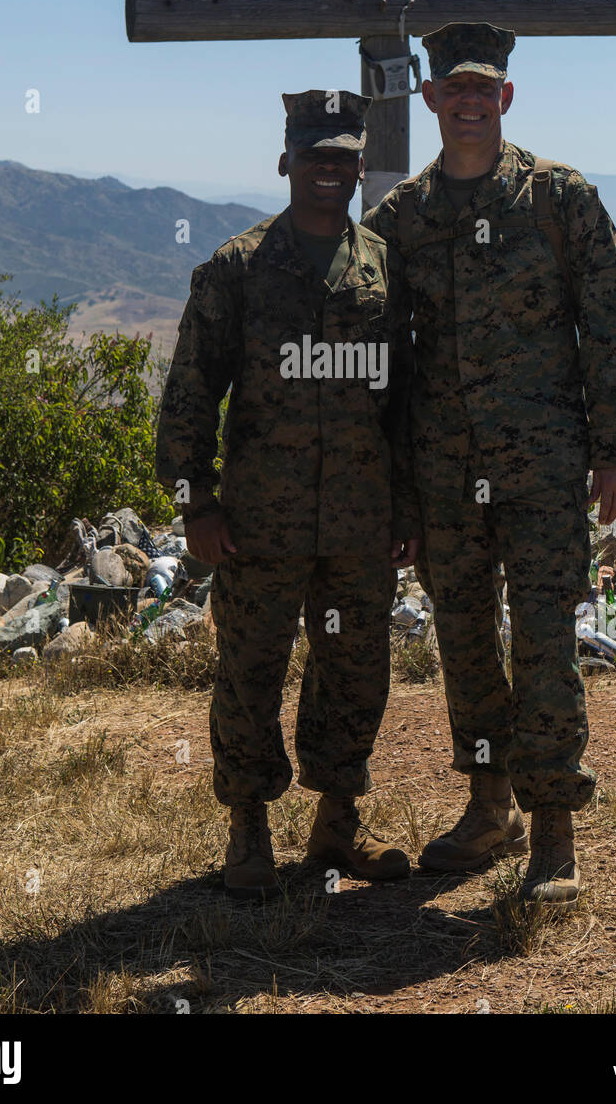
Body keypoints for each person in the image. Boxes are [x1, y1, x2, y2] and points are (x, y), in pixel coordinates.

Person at [363, 22, 616, 906]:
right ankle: (490, 808)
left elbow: (610, 331)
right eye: (456, 90)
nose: (471, 102)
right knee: (465, 640)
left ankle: (553, 828)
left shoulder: (560, 200)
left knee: (547, 638)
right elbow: (379, 355)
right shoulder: (403, 219)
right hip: (444, 471)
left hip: (546, 465)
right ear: (432, 99)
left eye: (485, 89)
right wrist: (394, 490)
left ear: (506, 98)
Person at [156, 89, 421, 898]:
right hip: (257, 522)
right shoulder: (239, 267)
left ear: (357, 164)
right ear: (287, 160)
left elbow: (406, 399)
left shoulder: (383, 266)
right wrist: (196, 503)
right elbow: (191, 391)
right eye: (315, 155)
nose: (329, 170)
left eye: (343, 157)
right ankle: (248, 833)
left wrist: (406, 508)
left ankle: (338, 825)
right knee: (250, 670)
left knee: (354, 669)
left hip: (359, 520)